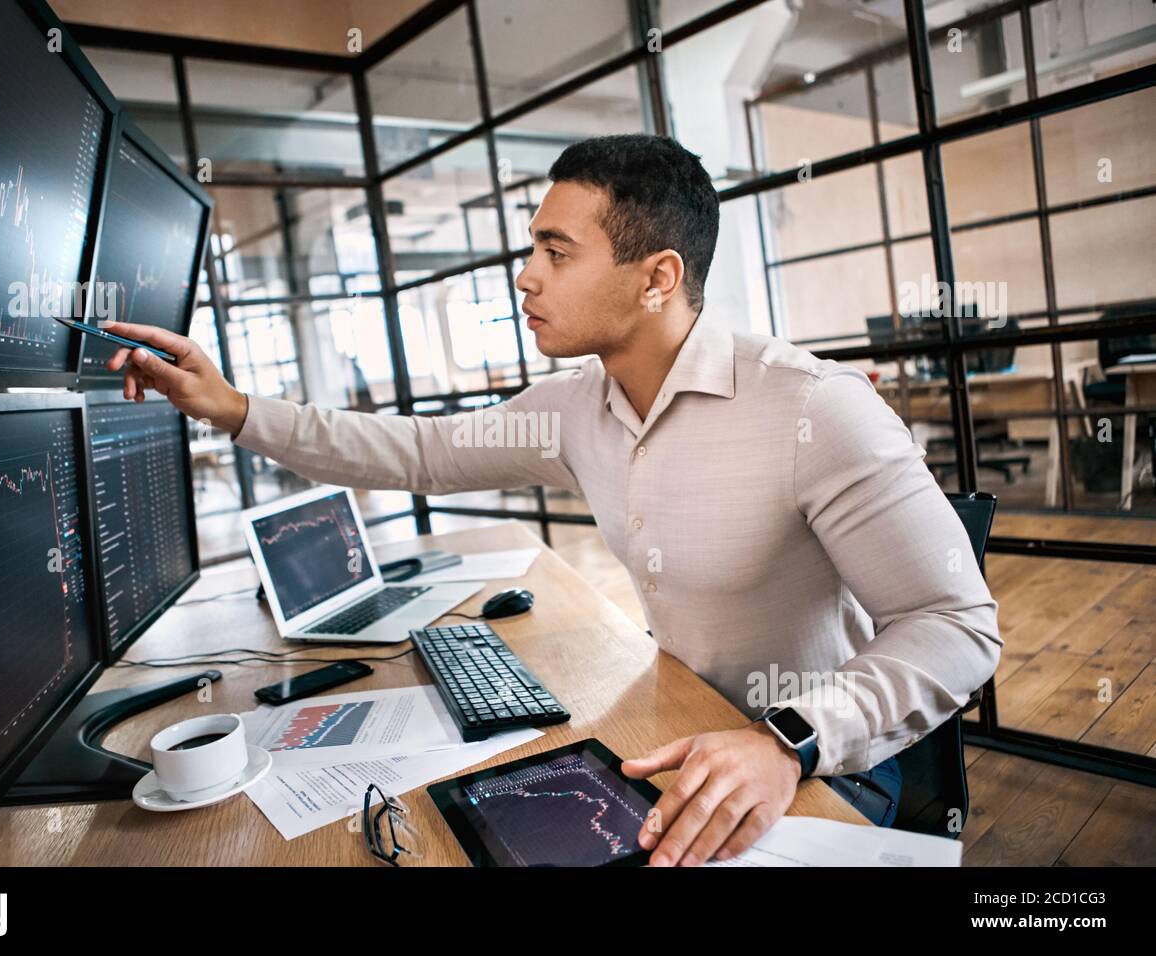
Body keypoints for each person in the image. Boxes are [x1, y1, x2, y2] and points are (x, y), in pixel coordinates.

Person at [105, 134, 1001, 866]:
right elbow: (417, 449)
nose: (524, 276)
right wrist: (232, 408)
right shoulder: (579, 406)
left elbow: (957, 624)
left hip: (816, 767)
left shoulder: (815, 408)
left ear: (657, 277)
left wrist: (788, 741)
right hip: (680, 726)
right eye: (532, 247)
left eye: (554, 252)